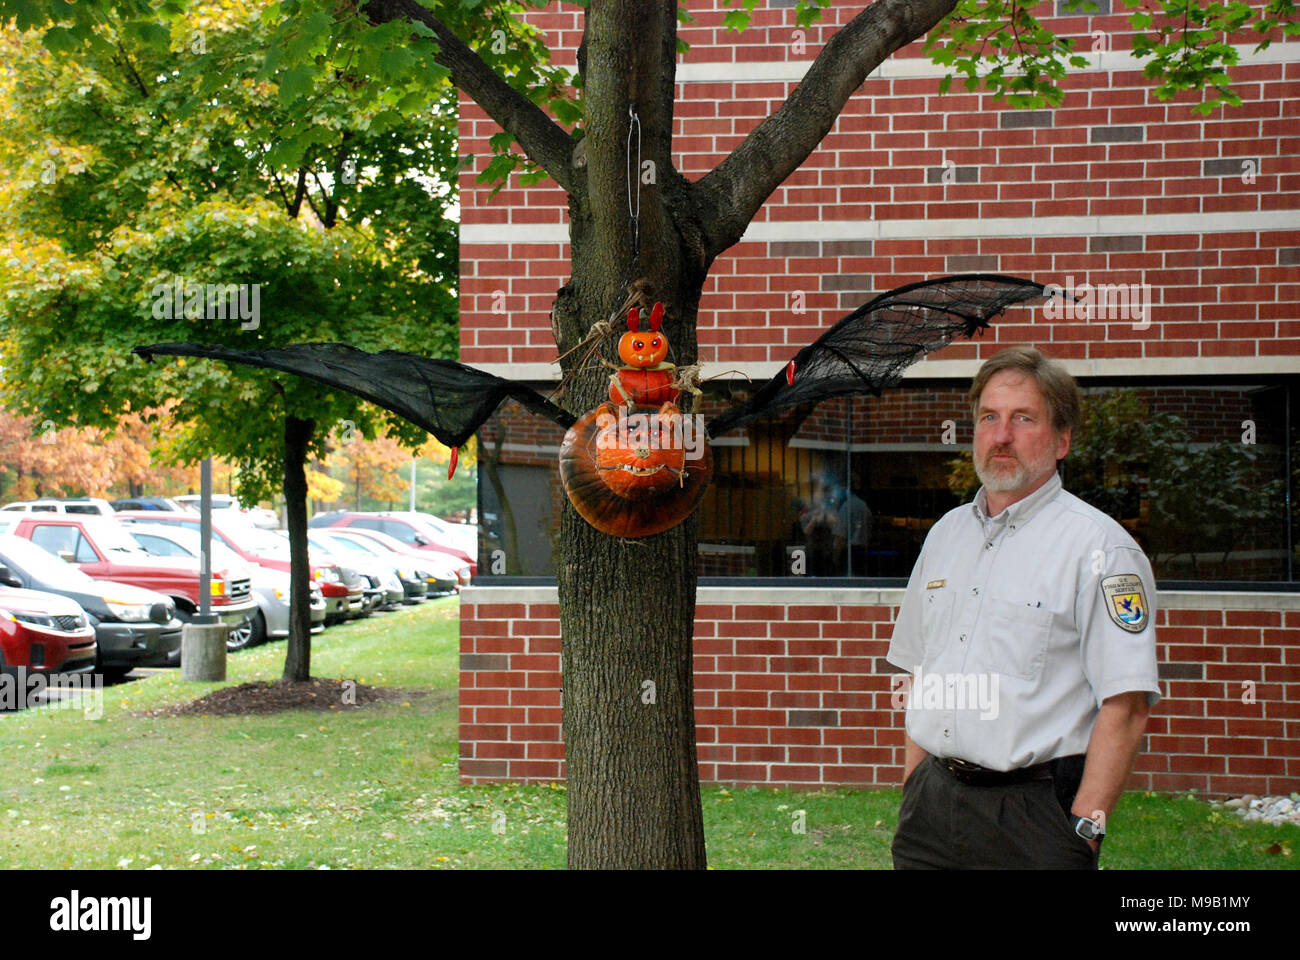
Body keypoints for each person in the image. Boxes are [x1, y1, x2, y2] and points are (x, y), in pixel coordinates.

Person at [886, 346, 1159, 869]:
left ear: (1062, 441)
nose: (1001, 435)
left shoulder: (1101, 549)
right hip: (931, 810)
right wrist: (913, 785)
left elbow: (1126, 706)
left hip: (1035, 820)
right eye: (989, 417)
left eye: (1022, 419)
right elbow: (923, 668)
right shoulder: (946, 535)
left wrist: (1084, 829)